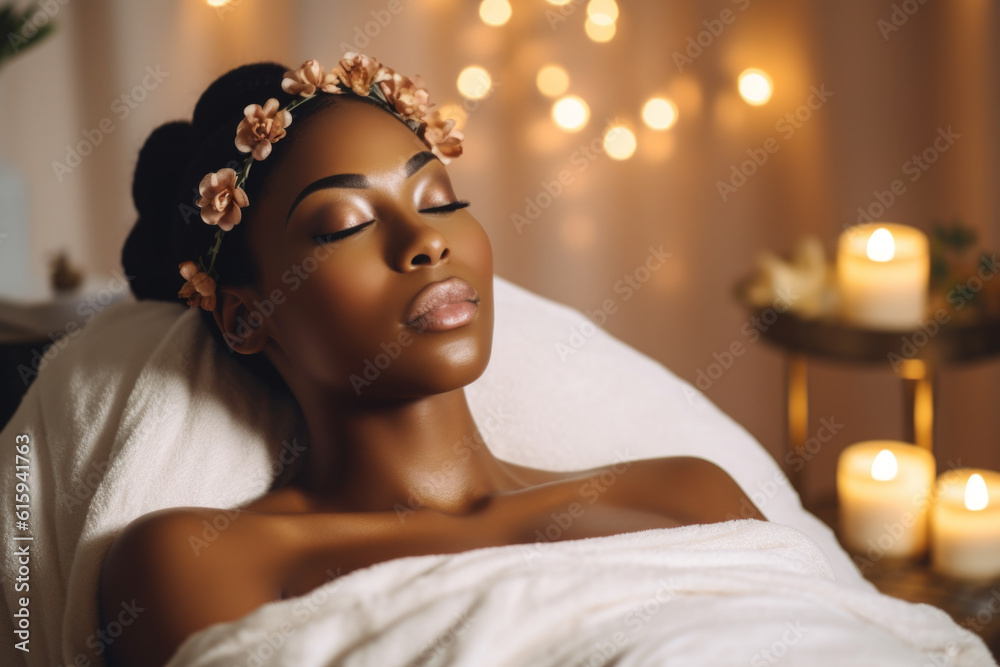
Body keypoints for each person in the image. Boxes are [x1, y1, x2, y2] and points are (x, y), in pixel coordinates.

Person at [101, 53, 765, 667]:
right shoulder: (202, 559)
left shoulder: (688, 492)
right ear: (247, 315)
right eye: (343, 224)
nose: (425, 239)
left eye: (441, 201)